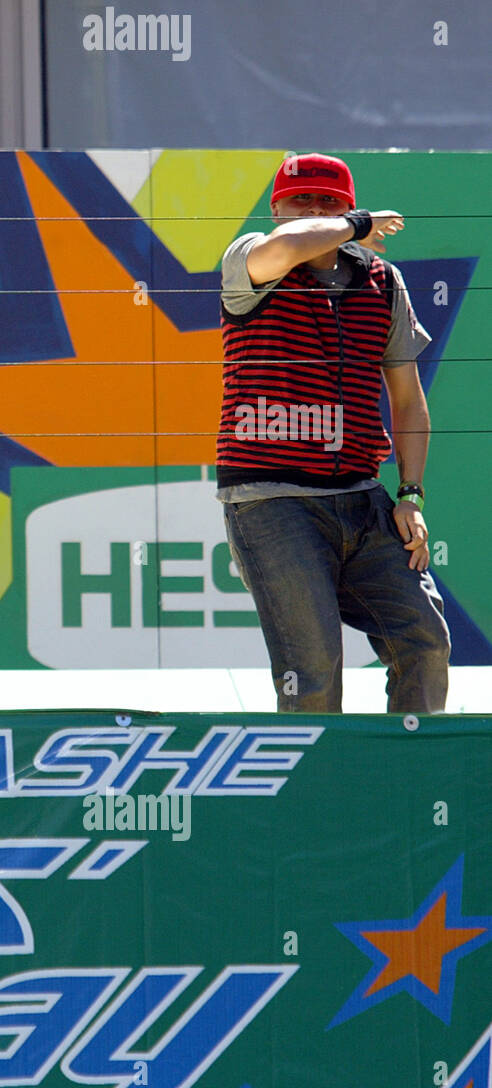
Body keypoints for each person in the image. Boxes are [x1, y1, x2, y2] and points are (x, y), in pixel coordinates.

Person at [216, 153, 450, 713]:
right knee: (313, 674)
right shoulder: (251, 256)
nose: (315, 209)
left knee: (425, 640)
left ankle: (405, 787)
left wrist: (411, 494)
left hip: (361, 494)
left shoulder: (383, 280)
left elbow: (408, 400)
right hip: (271, 500)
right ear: (276, 209)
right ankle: (316, 800)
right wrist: (357, 225)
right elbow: (290, 245)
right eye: (302, 200)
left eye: (331, 200)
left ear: (346, 205)